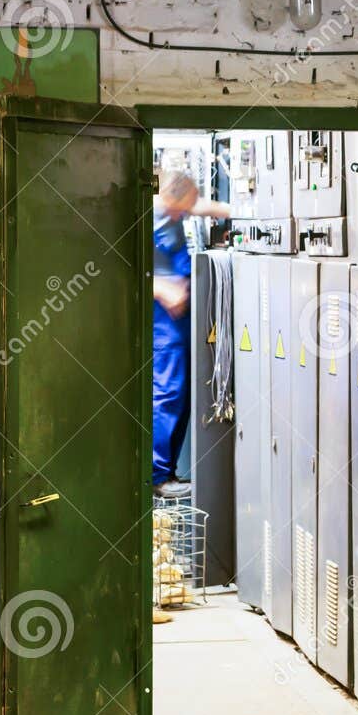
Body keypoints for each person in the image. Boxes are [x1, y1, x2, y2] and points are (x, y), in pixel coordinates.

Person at [152, 172, 230, 498]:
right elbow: (125, 263)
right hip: (164, 323)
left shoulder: (173, 208)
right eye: (184, 205)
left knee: (180, 394)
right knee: (168, 393)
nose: (186, 211)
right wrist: (161, 289)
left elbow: (204, 206)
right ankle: (156, 477)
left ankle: (165, 472)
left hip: (179, 322)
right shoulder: (151, 217)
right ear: (173, 198)